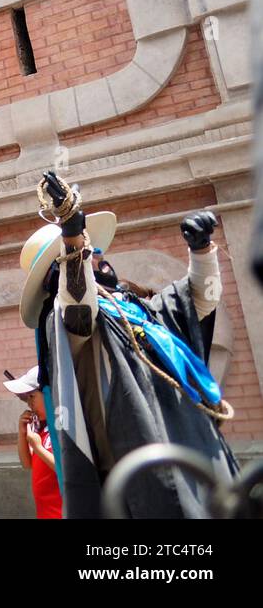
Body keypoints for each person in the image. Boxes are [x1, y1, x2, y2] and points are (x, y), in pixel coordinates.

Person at [24, 172, 236, 517]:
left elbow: (201, 301)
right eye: (88, 251)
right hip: (145, 462)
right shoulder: (68, 322)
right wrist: (72, 236)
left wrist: (202, 253)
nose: (96, 254)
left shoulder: (138, 308)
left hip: (195, 441)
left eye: (95, 249)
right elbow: (78, 302)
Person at [3, 365, 61, 519]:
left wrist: (38, 447)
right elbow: (27, 464)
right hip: (45, 513)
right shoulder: (42, 428)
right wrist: (22, 433)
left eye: (32, 396)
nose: (28, 403)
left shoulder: (61, 428)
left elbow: (65, 470)